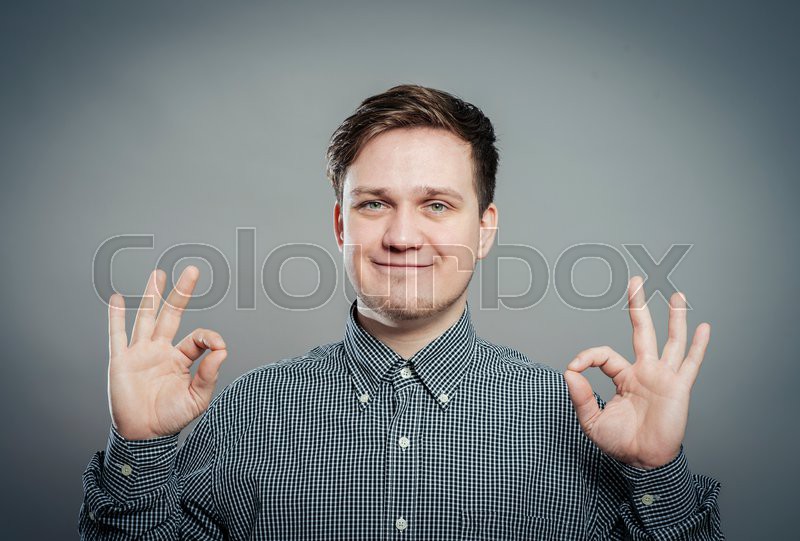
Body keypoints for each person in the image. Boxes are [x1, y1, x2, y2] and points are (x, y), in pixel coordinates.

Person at [79, 84, 723, 540]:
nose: (402, 236)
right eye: (374, 204)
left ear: (486, 227)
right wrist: (137, 450)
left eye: (437, 205)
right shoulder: (247, 411)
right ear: (339, 223)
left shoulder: (579, 421)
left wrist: (657, 472)